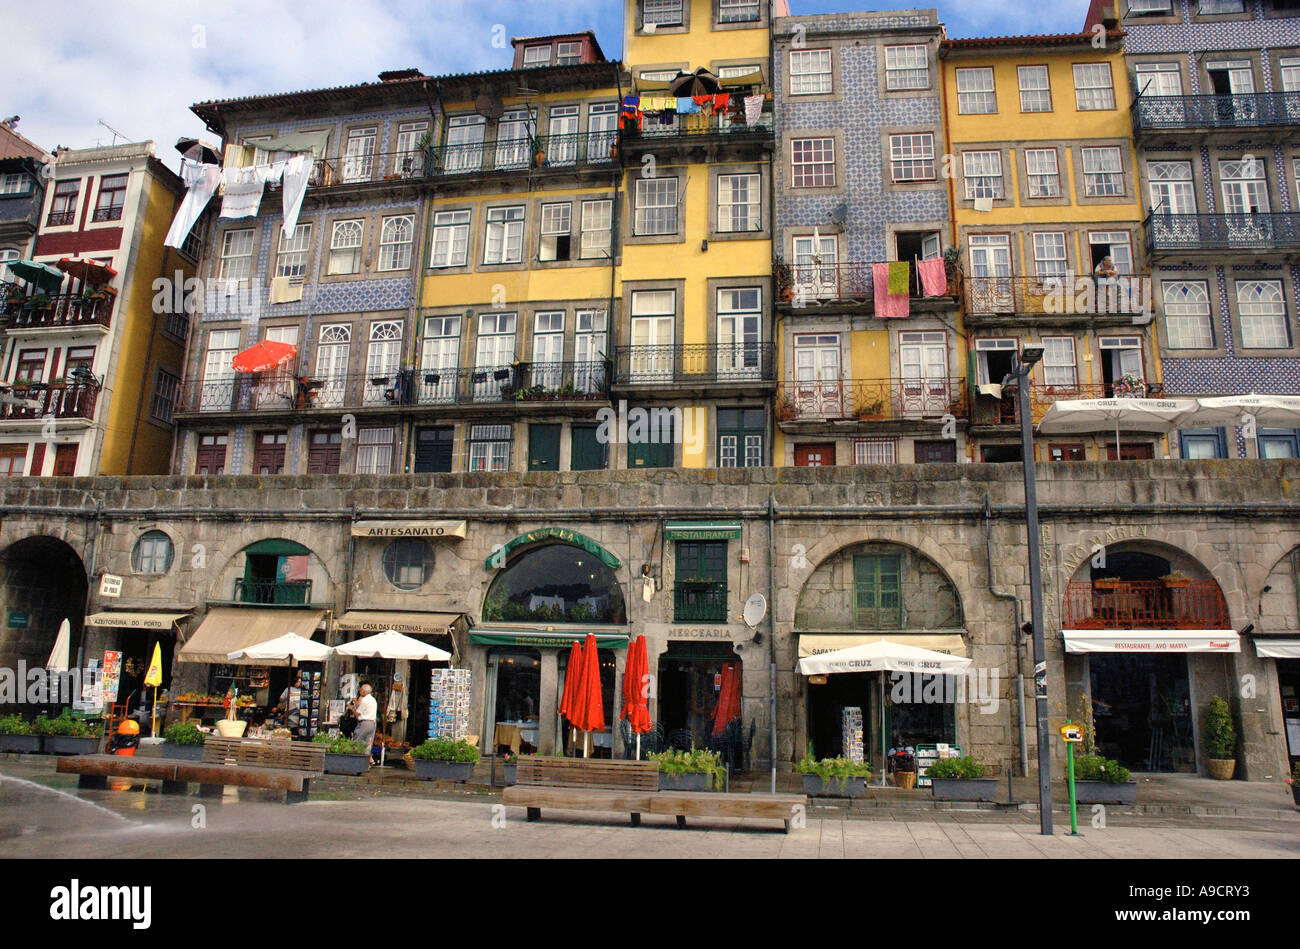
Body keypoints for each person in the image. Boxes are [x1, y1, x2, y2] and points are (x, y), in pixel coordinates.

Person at [352, 683, 378, 765]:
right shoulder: (373, 700)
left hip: (365, 723)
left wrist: (352, 708)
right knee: (368, 744)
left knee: (357, 741)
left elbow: (357, 714)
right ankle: (366, 764)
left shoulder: (364, 700)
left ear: (363, 691)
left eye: (360, 690)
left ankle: (356, 762)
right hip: (372, 723)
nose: (359, 692)